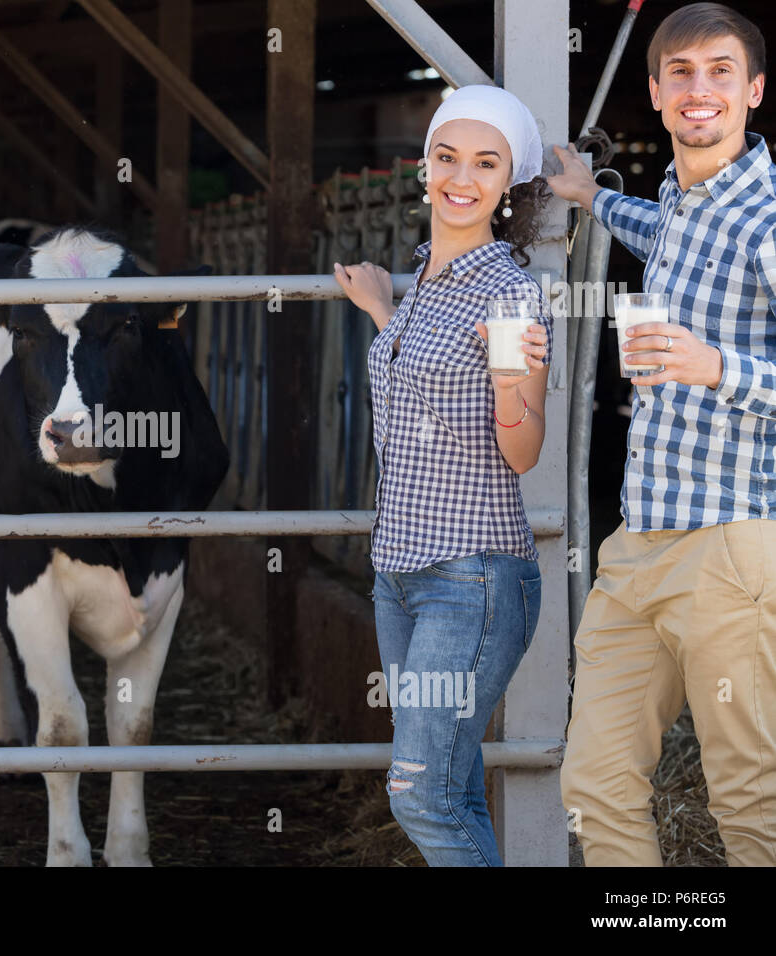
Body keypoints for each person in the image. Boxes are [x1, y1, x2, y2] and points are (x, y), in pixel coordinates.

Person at [548, 2, 776, 866]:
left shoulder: (768, 222)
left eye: (721, 71)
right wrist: (588, 195)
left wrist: (711, 365)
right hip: (639, 543)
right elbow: (656, 227)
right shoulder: (681, 203)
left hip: (730, 541)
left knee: (751, 800)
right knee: (596, 787)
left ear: (754, 89)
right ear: (654, 91)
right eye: (680, 72)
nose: (700, 89)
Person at [334, 84, 553, 866]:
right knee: (452, 789)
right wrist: (384, 313)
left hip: (472, 576)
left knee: (419, 793)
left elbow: (522, 454)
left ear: (508, 183)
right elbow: (426, 385)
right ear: (424, 165)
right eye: (448, 157)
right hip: (399, 574)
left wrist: (512, 388)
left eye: (485, 163)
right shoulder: (423, 281)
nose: (462, 176)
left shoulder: (510, 292)